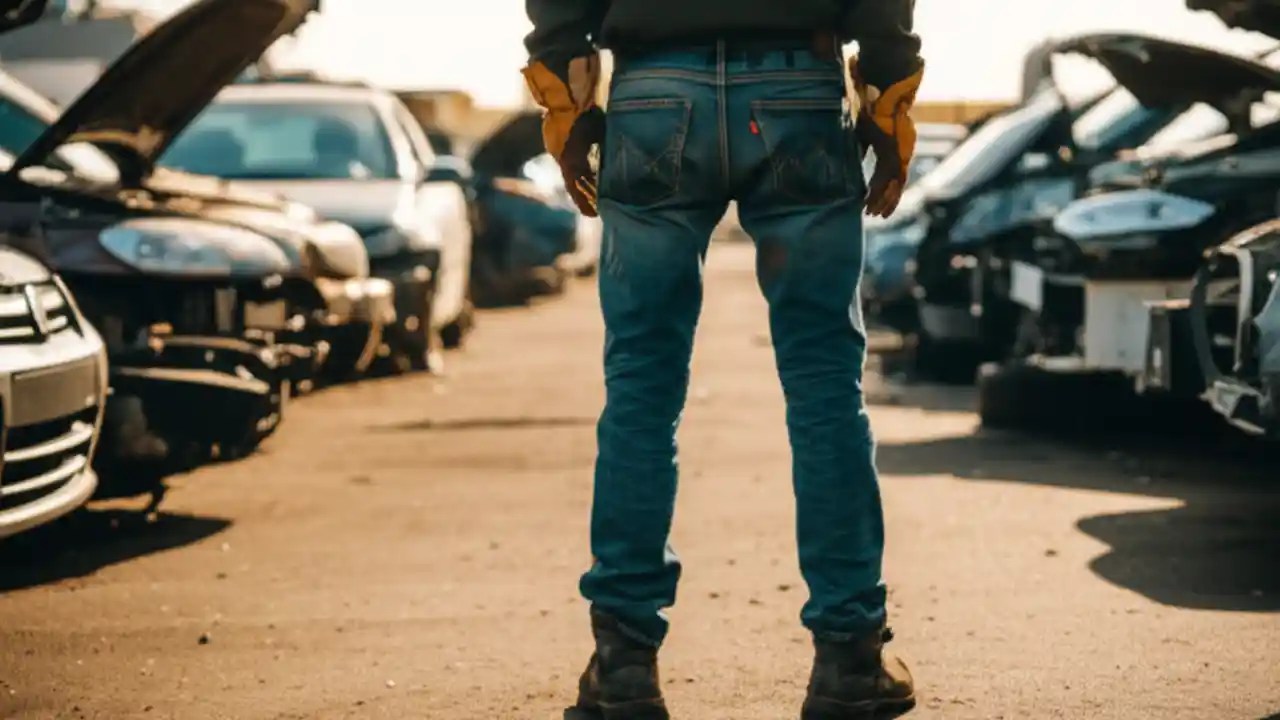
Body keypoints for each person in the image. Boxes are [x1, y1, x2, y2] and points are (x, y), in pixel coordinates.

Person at [521, 2, 924, 718]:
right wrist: (889, 91)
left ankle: (623, 665)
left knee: (642, 387)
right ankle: (849, 658)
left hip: (653, 91)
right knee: (827, 387)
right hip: (799, 85)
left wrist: (564, 86)